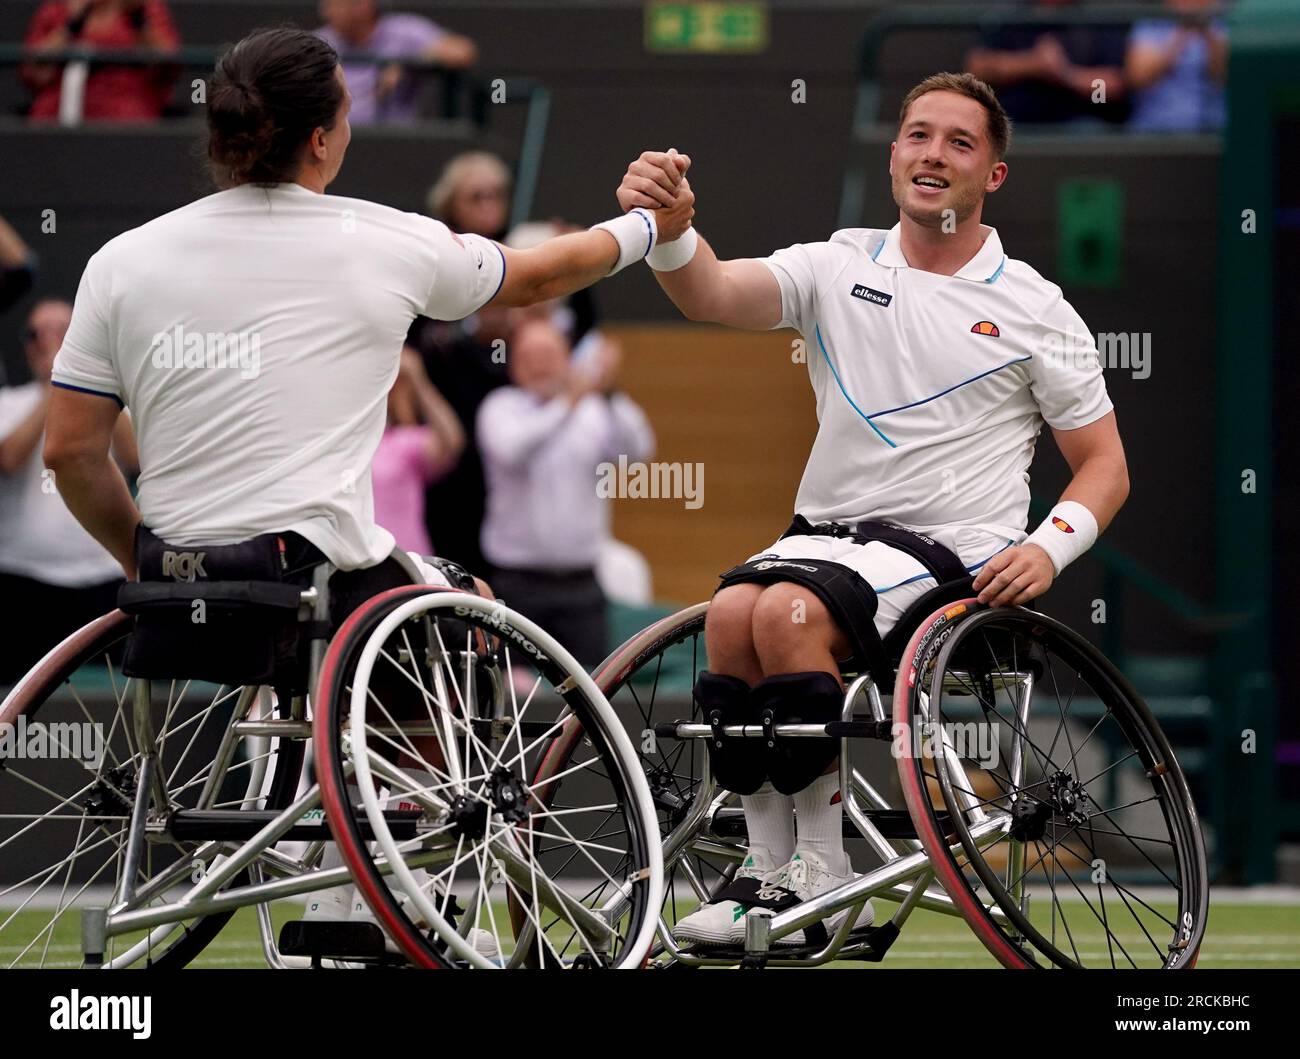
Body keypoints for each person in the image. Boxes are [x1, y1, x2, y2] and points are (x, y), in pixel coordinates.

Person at [41, 26, 692, 939]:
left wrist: (161, 568)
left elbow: (71, 453)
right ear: (320, 138)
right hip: (322, 590)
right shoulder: (386, 241)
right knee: (462, 601)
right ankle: (379, 880)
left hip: (175, 592)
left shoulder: (120, 260)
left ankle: (336, 845)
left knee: (380, 615)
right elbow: (546, 270)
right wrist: (648, 228)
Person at [616, 71, 1129, 947]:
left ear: (992, 175)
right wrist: (672, 232)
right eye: (919, 136)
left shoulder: (1037, 308)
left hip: (956, 557)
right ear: (894, 155)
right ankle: (768, 872)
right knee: (735, 612)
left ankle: (823, 874)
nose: (934, 155)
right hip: (826, 544)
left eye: (960, 143)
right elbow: (711, 292)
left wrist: (1050, 549)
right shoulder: (837, 263)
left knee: (779, 610)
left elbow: (1104, 466)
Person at [477, 318, 654, 669]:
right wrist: (570, 400)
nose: (541, 364)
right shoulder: (501, 408)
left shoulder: (593, 410)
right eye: (530, 356)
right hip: (518, 586)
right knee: (515, 695)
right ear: (514, 366)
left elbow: (638, 450)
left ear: (568, 359)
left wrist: (609, 391)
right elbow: (514, 449)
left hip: (582, 587)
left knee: (590, 690)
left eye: (549, 354)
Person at [0, 299, 137, 684]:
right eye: (36, 334)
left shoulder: (106, 405)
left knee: (119, 695)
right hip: (24, 583)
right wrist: (58, 385)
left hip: (100, 579)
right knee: (22, 694)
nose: (48, 342)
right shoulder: (10, 403)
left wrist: (94, 383)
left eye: (62, 331)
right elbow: (9, 457)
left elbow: (137, 456)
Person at [965, 0, 1129, 127]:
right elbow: (976, 69)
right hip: (1014, 119)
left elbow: (1111, 87)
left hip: (1078, 121)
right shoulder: (1010, 14)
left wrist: (1066, 75)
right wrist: (1032, 64)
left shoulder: (1095, 18)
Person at [315, 0, 476, 124]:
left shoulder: (403, 31)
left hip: (389, 143)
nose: (326, 12)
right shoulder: (319, 41)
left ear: (363, 5)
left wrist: (407, 64)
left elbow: (462, 51)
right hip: (330, 139)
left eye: (335, 4)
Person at [21, 0, 180, 122]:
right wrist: (73, 24)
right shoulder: (56, 9)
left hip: (127, 122)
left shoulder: (146, 8)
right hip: (55, 119)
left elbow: (168, 67)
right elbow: (34, 72)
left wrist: (137, 18)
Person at [372, 346, 464, 555]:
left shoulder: (405, 440)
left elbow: (451, 442)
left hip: (408, 557)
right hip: (358, 563)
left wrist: (418, 379)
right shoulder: (348, 442)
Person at [1124, 0, 1227, 133]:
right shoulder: (1152, 22)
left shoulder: (1224, 20)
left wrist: (1206, 30)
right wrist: (1182, 33)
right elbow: (1138, 77)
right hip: (1158, 130)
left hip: (1215, 130)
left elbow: (1226, 74)